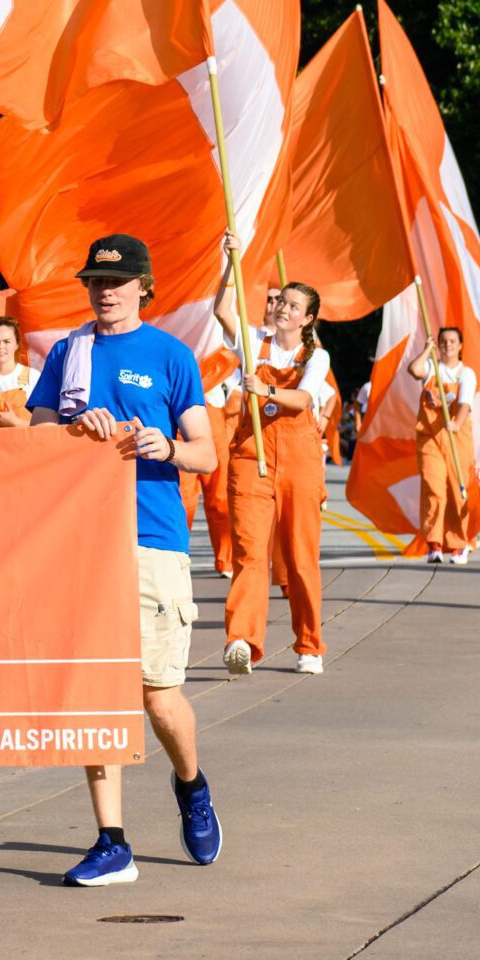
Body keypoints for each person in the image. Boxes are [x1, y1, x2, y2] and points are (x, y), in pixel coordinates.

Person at [25, 234, 223, 887]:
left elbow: (206, 452)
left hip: (151, 536)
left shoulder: (171, 355)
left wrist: (163, 445)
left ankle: (191, 784)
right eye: (94, 281)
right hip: (83, 539)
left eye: (116, 281)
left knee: (157, 696)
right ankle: (112, 840)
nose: (104, 291)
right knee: (97, 693)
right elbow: (36, 440)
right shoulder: (68, 351)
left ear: (144, 286)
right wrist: (73, 433)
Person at [212, 256, 332, 677]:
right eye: (280, 301)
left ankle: (309, 643)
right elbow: (223, 310)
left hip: (299, 460)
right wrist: (231, 263)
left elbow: (301, 400)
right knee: (249, 552)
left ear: (308, 319)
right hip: (251, 455)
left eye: (293, 306)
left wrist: (263, 387)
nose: (283, 308)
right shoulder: (252, 340)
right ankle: (241, 640)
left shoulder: (316, 357)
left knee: (300, 558)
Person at [409, 327, 477, 564]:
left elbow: (465, 404)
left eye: (452, 341)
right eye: (443, 341)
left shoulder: (466, 374)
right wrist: (427, 349)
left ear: (460, 345)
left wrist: (456, 423)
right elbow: (414, 370)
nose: (448, 345)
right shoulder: (431, 369)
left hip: (456, 438)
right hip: (430, 438)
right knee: (434, 489)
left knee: (458, 490)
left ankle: (459, 543)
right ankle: (434, 543)